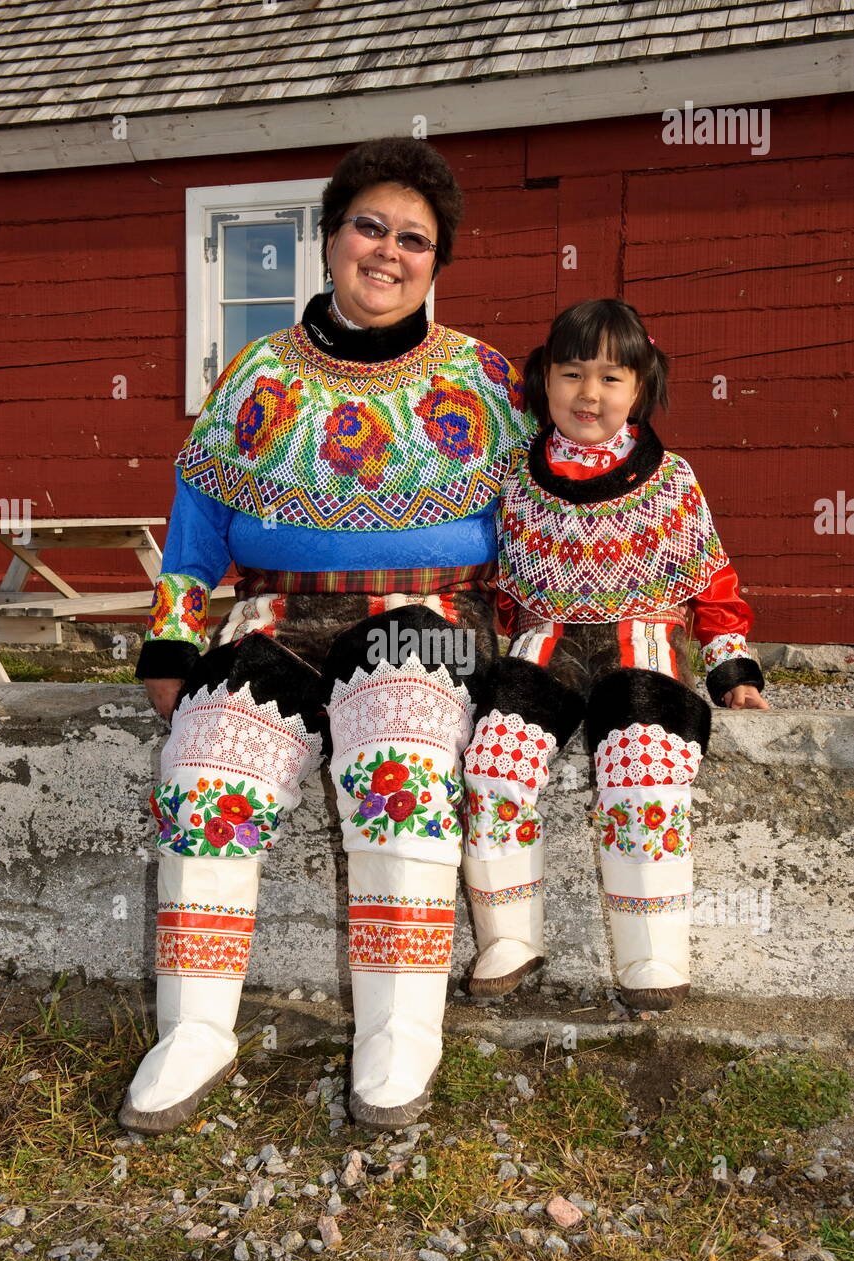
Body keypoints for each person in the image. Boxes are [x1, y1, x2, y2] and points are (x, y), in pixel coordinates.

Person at [119, 136, 529, 1136]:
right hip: (276, 614)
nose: (386, 251)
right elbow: (198, 518)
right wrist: (175, 641)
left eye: (414, 240)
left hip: (424, 614)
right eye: (368, 226)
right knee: (205, 764)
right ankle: (196, 1025)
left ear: (437, 263)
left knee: (400, 758)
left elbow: (541, 519)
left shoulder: (484, 377)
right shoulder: (259, 372)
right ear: (330, 235)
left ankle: (399, 1029)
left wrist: (543, 653)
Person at [460, 298, 768, 1010]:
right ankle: (509, 936)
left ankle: (649, 953)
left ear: (641, 387)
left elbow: (711, 579)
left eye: (610, 378)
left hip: (643, 639)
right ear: (544, 384)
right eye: (571, 375)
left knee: (643, 762)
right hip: (546, 641)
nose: (588, 395)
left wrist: (730, 668)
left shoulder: (671, 480)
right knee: (493, 755)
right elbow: (492, 585)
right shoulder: (514, 481)